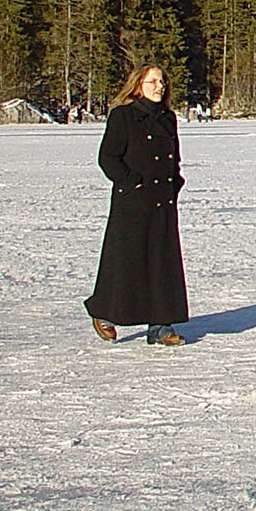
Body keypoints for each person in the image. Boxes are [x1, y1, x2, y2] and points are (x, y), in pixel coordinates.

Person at [85, 64, 189, 346]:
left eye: (162, 82)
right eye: (152, 81)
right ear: (138, 85)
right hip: (133, 202)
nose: (159, 87)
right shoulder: (123, 116)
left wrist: (175, 183)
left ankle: (160, 326)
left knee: (162, 262)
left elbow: (174, 158)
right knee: (125, 260)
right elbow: (108, 158)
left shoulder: (168, 118)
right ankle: (103, 311)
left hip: (163, 202)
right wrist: (131, 182)